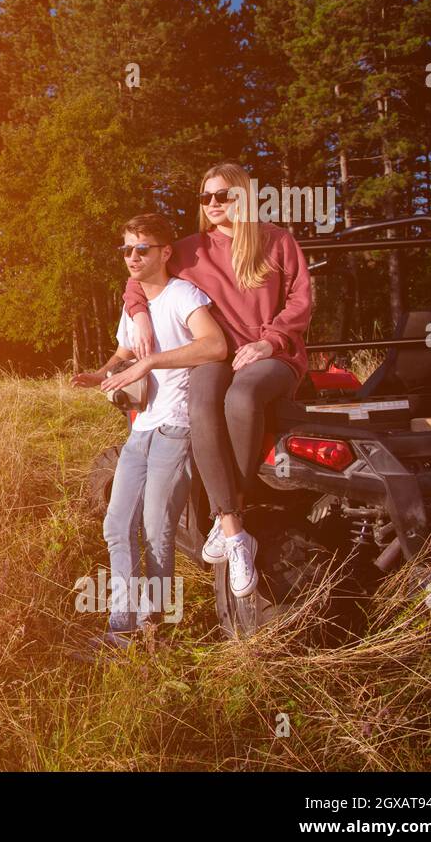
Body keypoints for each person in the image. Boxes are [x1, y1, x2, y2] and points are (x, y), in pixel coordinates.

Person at [124, 162, 313, 600]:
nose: (212, 204)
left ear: (244, 196)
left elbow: (301, 301)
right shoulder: (190, 250)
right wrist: (138, 314)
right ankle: (232, 527)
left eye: (222, 195)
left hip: (272, 354)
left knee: (243, 397)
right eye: (205, 197)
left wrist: (269, 342)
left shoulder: (277, 241)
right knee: (202, 401)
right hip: (217, 353)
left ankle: (229, 508)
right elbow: (138, 277)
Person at [73, 213, 226, 646]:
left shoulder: (182, 295)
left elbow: (215, 345)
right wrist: (99, 372)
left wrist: (153, 361)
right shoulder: (134, 303)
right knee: (117, 526)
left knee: (157, 529)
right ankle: (122, 627)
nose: (132, 257)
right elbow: (124, 350)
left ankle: (155, 629)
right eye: (126, 249)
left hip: (176, 426)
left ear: (165, 252)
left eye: (142, 249)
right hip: (143, 428)